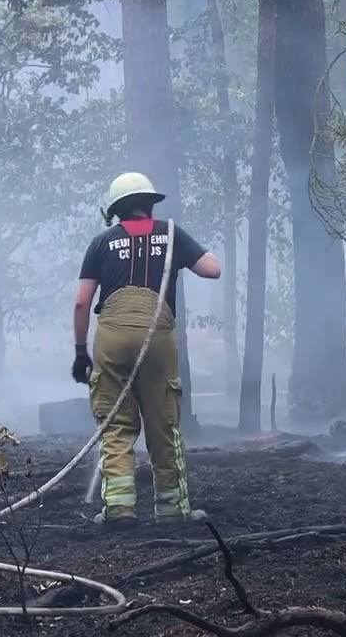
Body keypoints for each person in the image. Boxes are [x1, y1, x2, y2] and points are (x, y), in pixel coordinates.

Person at [72, 172, 221, 528]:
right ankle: (171, 508)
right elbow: (213, 270)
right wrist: (181, 249)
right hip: (157, 338)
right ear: (150, 204)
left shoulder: (101, 242)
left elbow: (81, 303)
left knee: (115, 424)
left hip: (112, 339)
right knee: (162, 423)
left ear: (115, 211)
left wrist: (80, 352)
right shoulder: (171, 235)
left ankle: (119, 507)